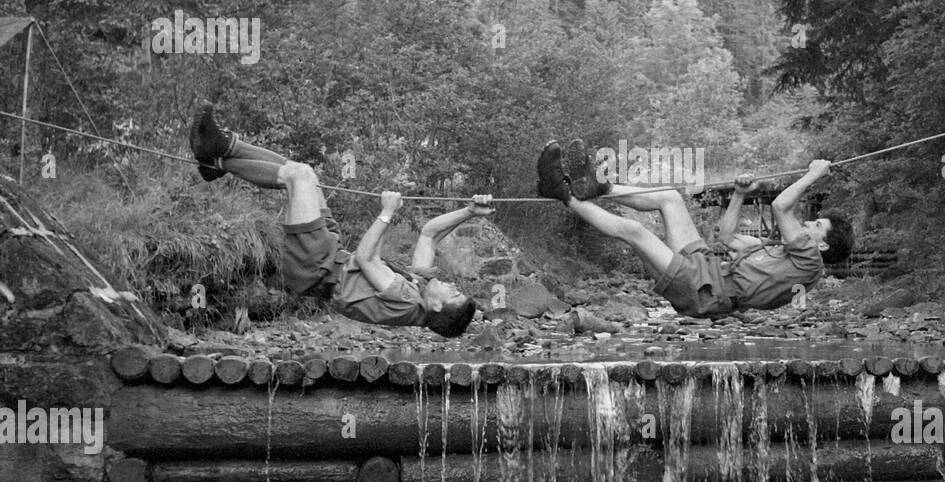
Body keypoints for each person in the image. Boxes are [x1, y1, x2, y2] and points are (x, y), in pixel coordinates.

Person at [189, 102, 485, 335]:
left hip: (316, 268)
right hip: (331, 254)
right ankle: (223, 148)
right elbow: (429, 233)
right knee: (306, 173)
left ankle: (215, 158)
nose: (452, 286)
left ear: (435, 306)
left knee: (298, 176)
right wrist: (469, 211)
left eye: (454, 293)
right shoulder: (421, 285)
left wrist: (387, 212)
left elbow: (367, 258)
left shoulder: (407, 301)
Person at [537, 138, 853, 319]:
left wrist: (814, 174)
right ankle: (596, 188)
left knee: (636, 233)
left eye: (816, 224)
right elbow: (725, 236)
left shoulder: (810, 262)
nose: (809, 223)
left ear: (822, 245)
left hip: (706, 292)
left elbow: (781, 206)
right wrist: (740, 196)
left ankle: (562, 193)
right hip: (706, 267)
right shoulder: (782, 254)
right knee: (671, 199)